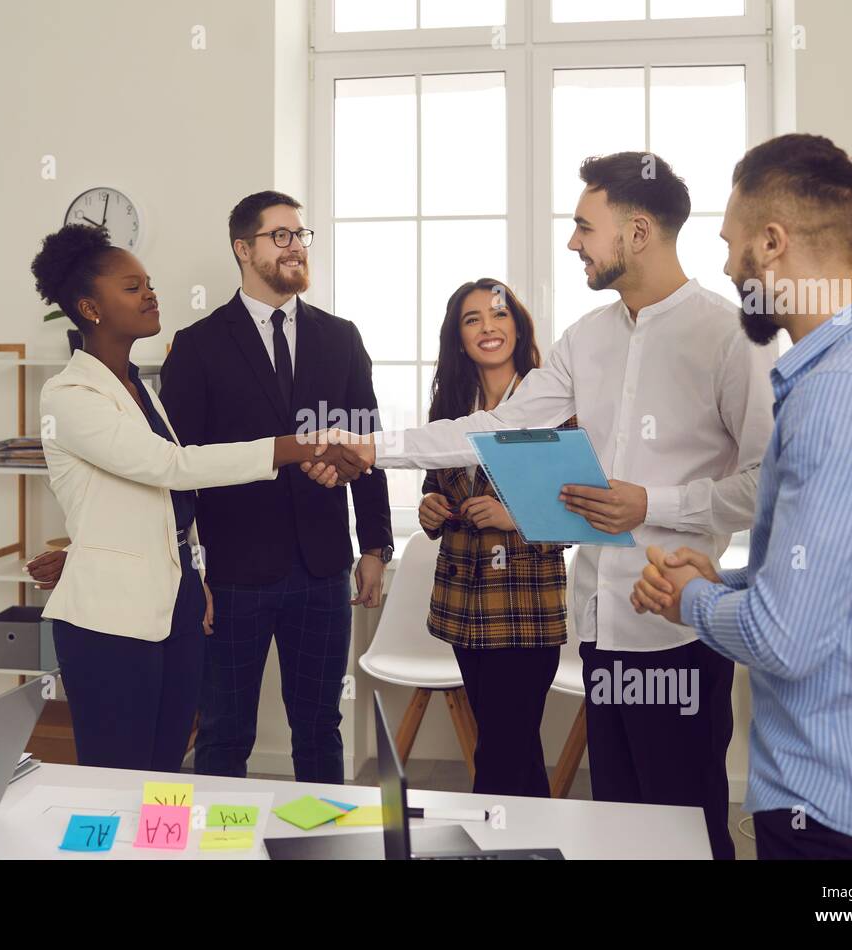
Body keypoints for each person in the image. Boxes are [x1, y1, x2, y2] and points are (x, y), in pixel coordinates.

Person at [306, 153, 777, 859]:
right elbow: (495, 429)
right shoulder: (585, 339)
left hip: (678, 630)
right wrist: (371, 447)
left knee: (687, 830)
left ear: (638, 231)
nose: (573, 243)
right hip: (599, 625)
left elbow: (766, 484)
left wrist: (652, 501)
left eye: (586, 227)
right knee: (616, 827)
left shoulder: (730, 336)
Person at [631, 134, 852, 860]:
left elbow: (784, 639)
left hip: (835, 811)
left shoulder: (844, 395)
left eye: (731, 245)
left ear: (773, 242)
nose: (726, 266)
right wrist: (720, 578)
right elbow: (840, 588)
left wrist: (685, 601)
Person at [27, 224, 353, 772]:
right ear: (90, 307)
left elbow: (167, 505)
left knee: (167, 770)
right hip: (110, 617)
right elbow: (170, 467)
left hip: (175, 602)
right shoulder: (69, 393)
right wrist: (291, 448)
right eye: (132, 288)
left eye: (149, 283)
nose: (150, 294)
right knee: (118, 777)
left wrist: (193, 572)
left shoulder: (142, 389)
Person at [419, 278, 569, 797]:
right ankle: (533, 845)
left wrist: (514, 515)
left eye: (498, 315)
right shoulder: (449, 406)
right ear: (458, 337)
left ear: (518, 325)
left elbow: (579, 505)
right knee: (513, 746)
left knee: (501, 749)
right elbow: (432, 486)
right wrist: (429, 507)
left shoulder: (550, 399)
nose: (488, 327)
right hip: (465, 604)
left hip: (526, 604)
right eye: (472, 318)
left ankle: (490, 844)